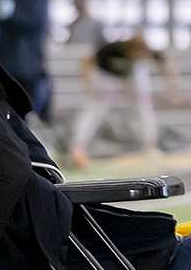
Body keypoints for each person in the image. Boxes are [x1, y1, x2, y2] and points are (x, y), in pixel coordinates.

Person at [68, 31, 181, 169]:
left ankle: (150, 147)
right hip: (106, 75)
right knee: (95, 108)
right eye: (135, 52)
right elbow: (85, 61)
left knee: (143, 107)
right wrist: (89, 86)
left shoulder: (149, 54)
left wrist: (172, 89)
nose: (138, 54)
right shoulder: (113, 49)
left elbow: (167, 66)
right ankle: (78, 148)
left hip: (131, 75)